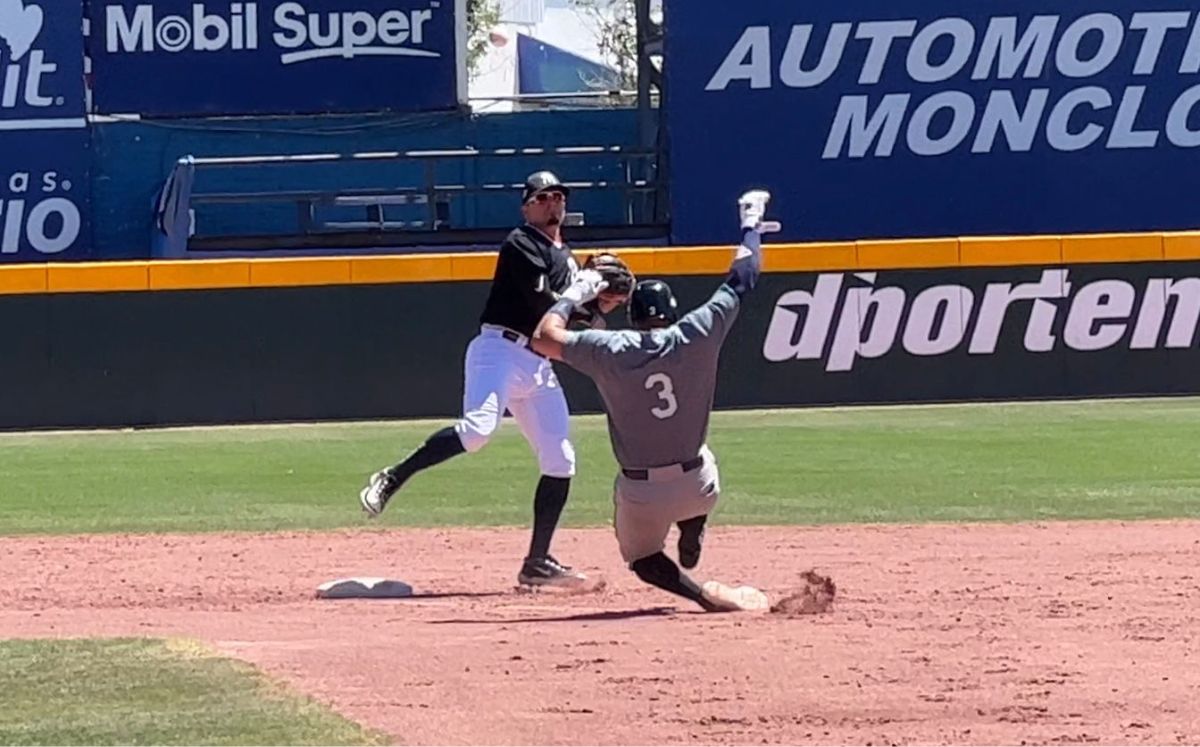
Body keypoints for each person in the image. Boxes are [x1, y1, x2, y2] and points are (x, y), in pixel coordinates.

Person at [358, 170, 624, 589]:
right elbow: (542, 301)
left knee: (561, 460)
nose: (552, 203)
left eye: (557, 196)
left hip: (537, 364)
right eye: (542, 198)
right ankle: (393, 476)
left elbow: (570, 319)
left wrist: (600, 305)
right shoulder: (521, 243)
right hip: (498, 351)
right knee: (478, 432)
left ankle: (536, 563)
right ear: (527, 206)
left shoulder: (569, 259)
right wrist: (581, 291)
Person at [528, 189, 779, 612]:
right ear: (672, 311)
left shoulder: (608, 348)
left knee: (641, 560)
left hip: (641, 491)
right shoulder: (697, 331)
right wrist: (751, 225)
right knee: (704, 458)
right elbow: (744, 277)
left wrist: (573, 294)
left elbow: (542, 338)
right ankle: (693, 525)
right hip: (698, 484)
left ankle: (699, 596)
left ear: (633, 316)